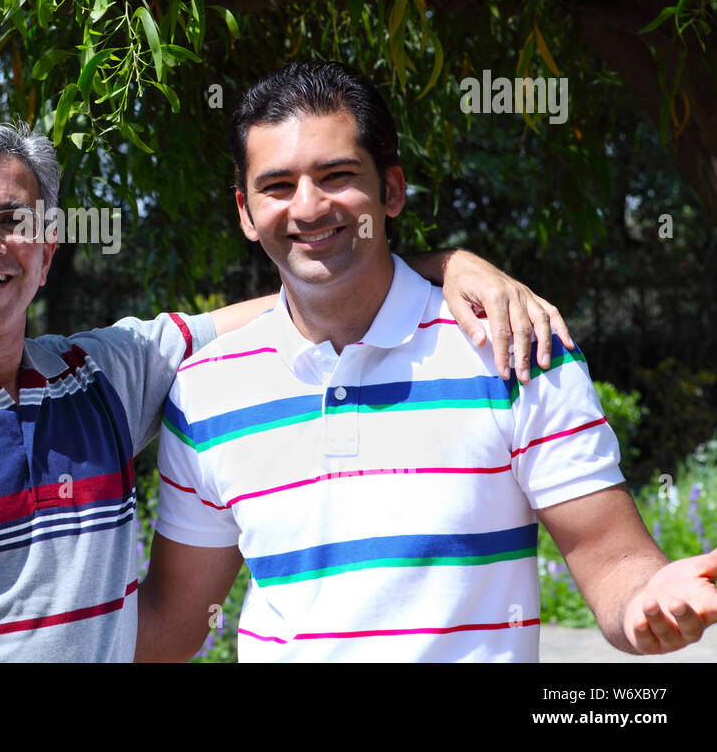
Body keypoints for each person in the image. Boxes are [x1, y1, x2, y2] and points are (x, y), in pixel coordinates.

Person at [0, 122, 567, 662]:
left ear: (49, 246)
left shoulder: (101, 376)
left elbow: (302, 293)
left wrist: (449, 266)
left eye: (15, 219)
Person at [136, 60, 717, 662]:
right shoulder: (205, 391)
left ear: (391, 190)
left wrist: (650, 602)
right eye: (277, 186)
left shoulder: (513, 349)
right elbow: (172, 623)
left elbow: (613, 559)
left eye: (336, 175)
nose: (307, 208)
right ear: (245, 212)